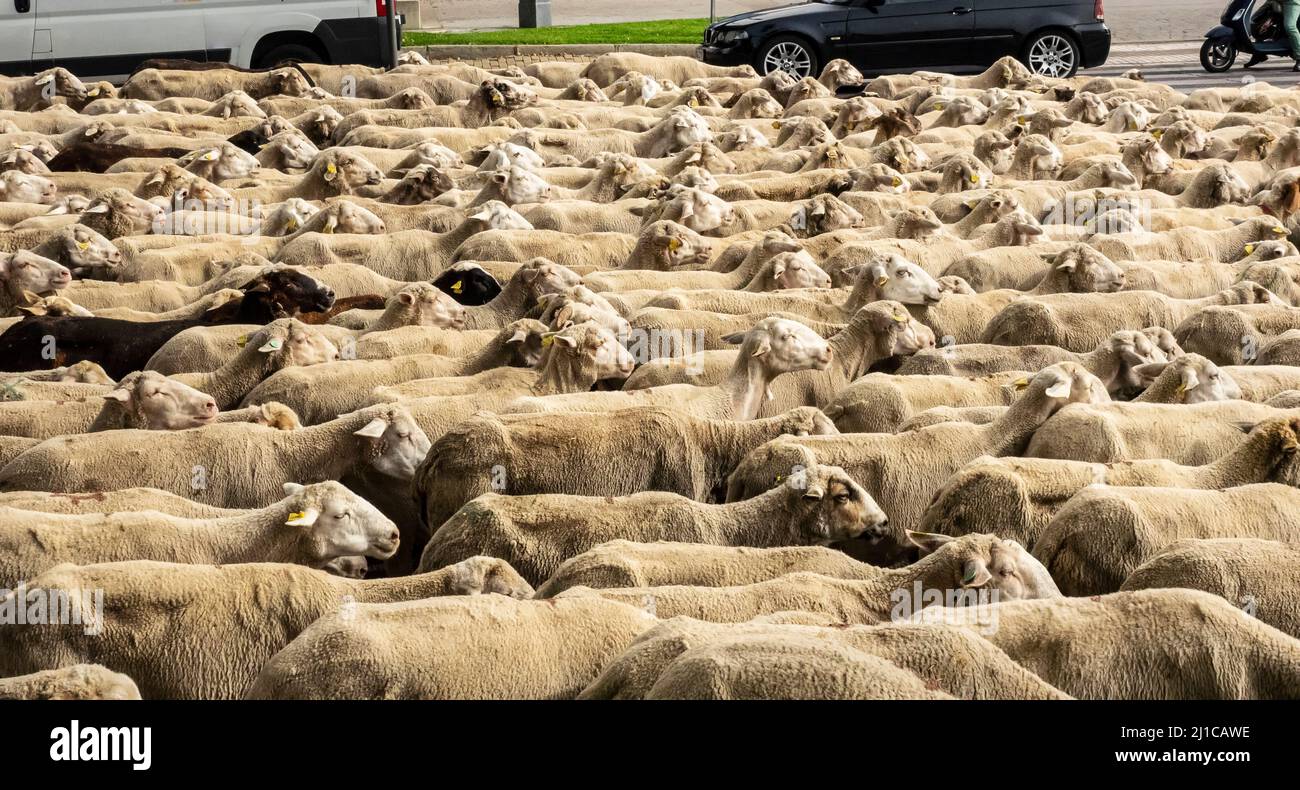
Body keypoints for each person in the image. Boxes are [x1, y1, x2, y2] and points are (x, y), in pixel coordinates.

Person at [1286, 0, 1300, 70]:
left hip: (1291, 1)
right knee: (1256, 21)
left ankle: (1299, 57)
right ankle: (1258, 54)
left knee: (1290, 27)